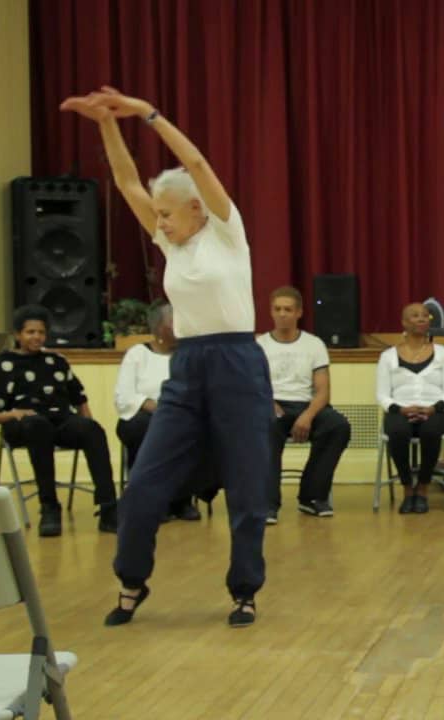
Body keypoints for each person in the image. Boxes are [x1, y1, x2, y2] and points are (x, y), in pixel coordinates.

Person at [63, 86, 272, 628]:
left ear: (196, 208)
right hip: (188, 367)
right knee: (143, 486)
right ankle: (132, 581)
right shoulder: (169, 242)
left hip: (237, 364)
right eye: (157, 216)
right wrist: (106, 123)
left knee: (248, 490)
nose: (159, 222)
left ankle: (244, 591)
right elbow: (126, 181)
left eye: (167, 214)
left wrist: (147, 114)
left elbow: (196, 162)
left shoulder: (227, 232)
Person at [0, 305, 118, 537]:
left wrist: (87, 424)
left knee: (92, 429)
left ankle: (108, 507)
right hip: (23, 424)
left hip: (60, 420)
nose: (36, 337)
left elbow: (79, 398)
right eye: (30, 332)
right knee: (38, 426)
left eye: (41, 332)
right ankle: (49, 506)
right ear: (17, 335)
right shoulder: (5, 362)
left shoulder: (56, 360)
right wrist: (14, 414)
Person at [259, 286, 351, 523]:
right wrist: (269, 403)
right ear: (271, 311)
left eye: (288, 309)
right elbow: (253, 386)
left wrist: (308, 416)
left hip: (306, 405)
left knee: (338, 426)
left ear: (299, 312)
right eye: (277, 309)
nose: (282, 314)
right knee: (265, 427)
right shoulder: (260, 345)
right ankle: (267, 504)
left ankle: (312, 497)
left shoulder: (314, 344)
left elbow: (323, 391)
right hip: (273, 405)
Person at [113, 303, 203, 522]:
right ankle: (148, 501)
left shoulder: (188, 355)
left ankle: (181, 500)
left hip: (180, 416)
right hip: (143, 416)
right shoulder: (138, 354)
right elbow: (124, 396)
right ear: (159, 327)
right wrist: (155, 406)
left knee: (190, 428)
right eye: (174, 323)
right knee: (145, 428)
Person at [376, 303, 444, 513]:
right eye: (415, 316)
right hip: (399, 411)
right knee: (397, 431)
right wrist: (399, 409)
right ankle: (407, 488)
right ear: (404, 322)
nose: (421, 319)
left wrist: (434, 407)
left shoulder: (443, 354)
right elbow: (382, 395)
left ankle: (422, 488)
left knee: (431, 431)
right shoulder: (388, 356)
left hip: (434, 411)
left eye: (425, 315)